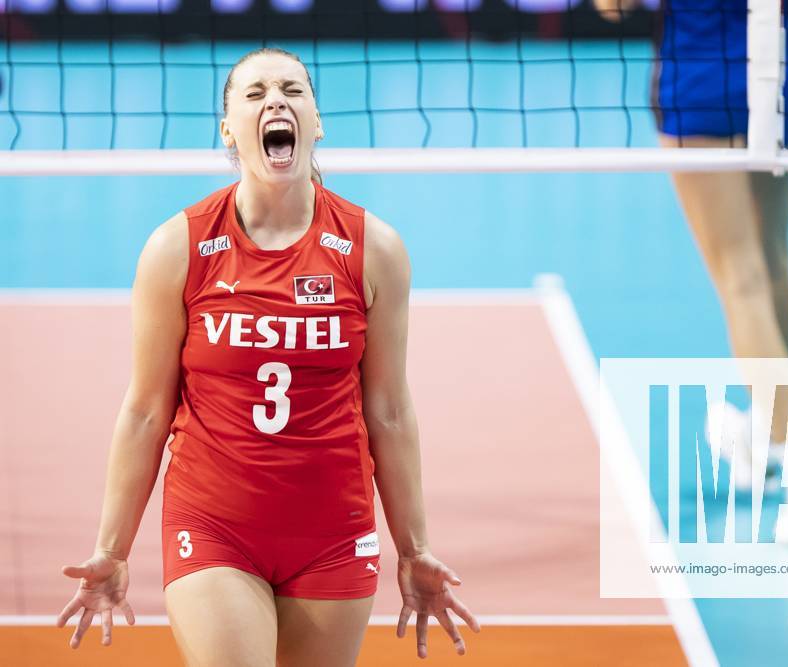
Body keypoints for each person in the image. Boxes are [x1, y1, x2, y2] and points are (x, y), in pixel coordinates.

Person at [55, 47, 479, 664]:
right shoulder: (179, 247)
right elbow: (147, 410)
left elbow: (388, 408)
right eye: (253, 94)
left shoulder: (374, 249)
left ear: (317, 120)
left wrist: (413, 548)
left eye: (291, 90)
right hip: (214, 523)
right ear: (227, 130)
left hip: (334, 531)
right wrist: (113, 548)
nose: (275, 100)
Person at [595, 0, 788, 541]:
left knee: (742, 278)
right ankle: (768, 430)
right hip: (772, 81)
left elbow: (613, 7)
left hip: (696, 86)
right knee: (772, 260)